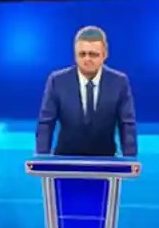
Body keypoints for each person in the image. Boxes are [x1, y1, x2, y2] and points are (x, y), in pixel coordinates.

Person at [35, 26, 138, 158]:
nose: (87, 59)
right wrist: (42, 159)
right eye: (82, 54)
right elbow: (46, 123)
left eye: (93, 54)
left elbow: (127, 124)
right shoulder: (57, 81)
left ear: (105, 54)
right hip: (65, 160)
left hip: (106, 161)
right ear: (75, 55)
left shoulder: (119, 82)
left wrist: (130, 160)